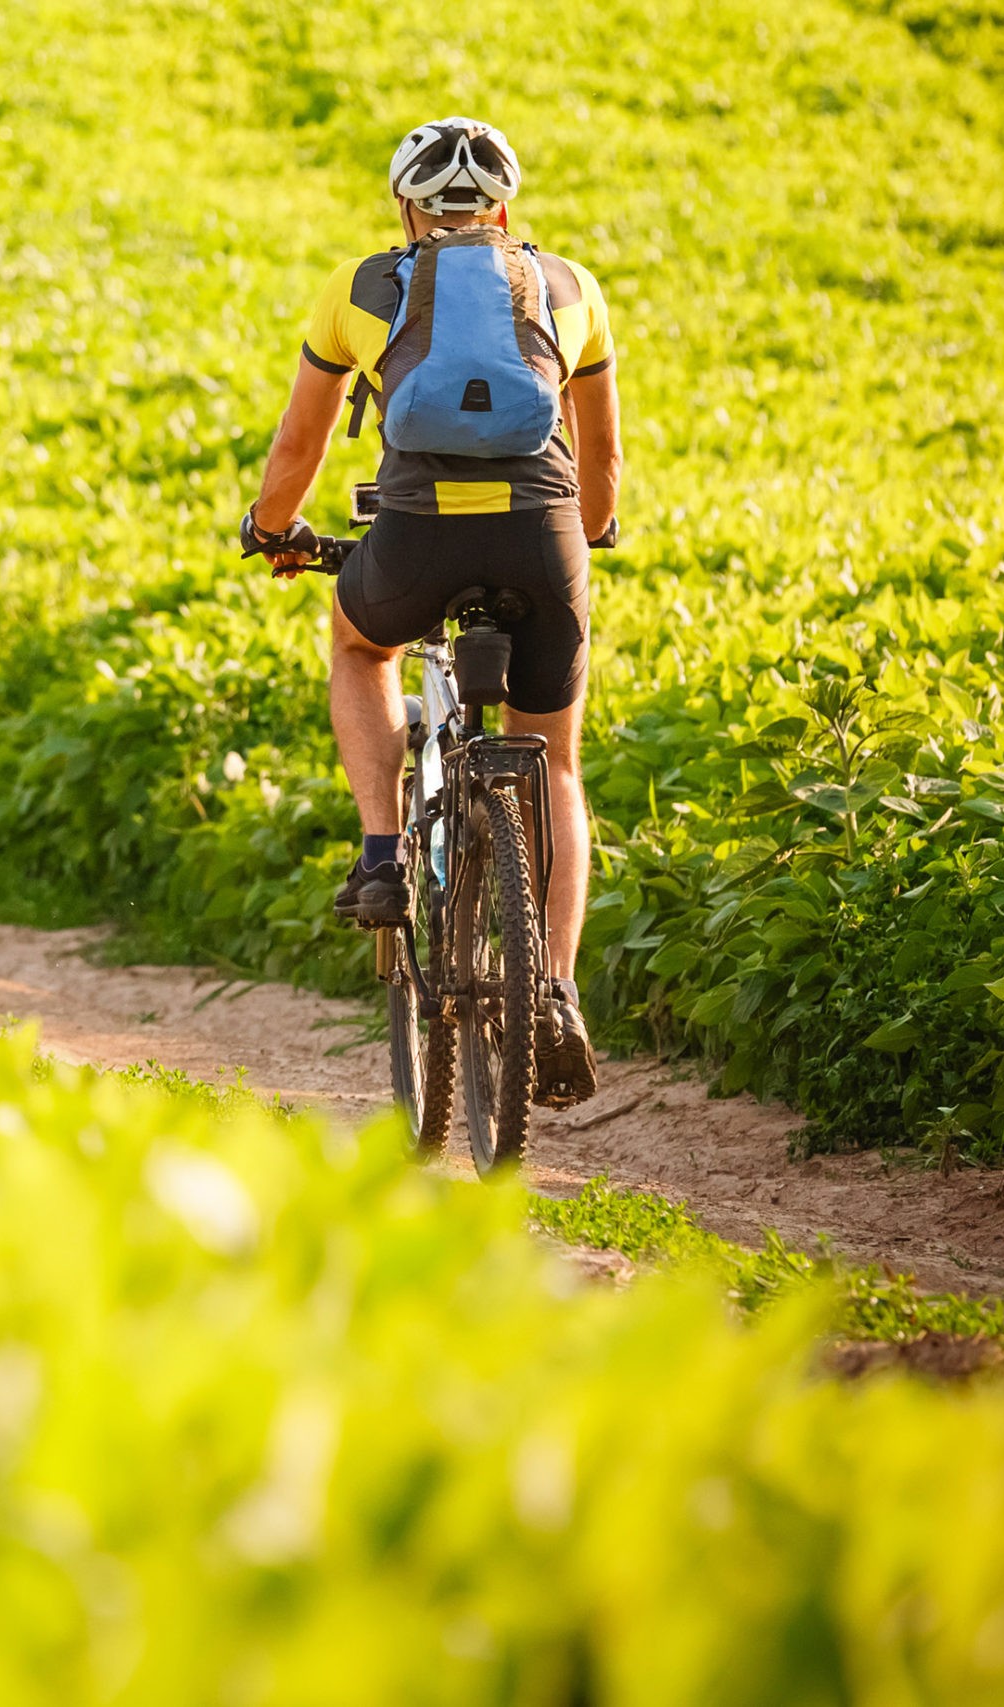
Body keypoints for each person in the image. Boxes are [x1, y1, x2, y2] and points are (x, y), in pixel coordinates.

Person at [237, 117, 618, 1107]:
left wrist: (273, 528)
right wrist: (593, 531)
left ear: (408, 206)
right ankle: (559, 988)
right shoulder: (571, 288)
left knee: (361, 644)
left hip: (412, 543)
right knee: (557, 762)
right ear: (504, 208)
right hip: (541, 544)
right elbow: (603, 475)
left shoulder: (362, 287)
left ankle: (379, 856)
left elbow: (298, 449)